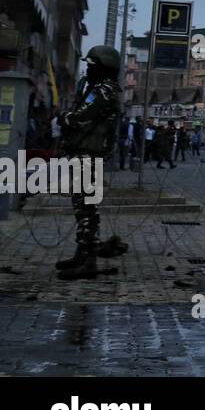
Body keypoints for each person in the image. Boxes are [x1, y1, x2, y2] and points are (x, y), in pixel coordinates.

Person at [55, 46, 122, 280]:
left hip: (88, 155)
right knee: (83, 207)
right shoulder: (100, 88)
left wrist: (63, 117)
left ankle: (88, 260)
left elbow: (79, 118)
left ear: (103, 67)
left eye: (92, 65)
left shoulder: (103, 91)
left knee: (86, 208)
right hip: (86, 154)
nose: (88, 69)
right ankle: (82, 255)